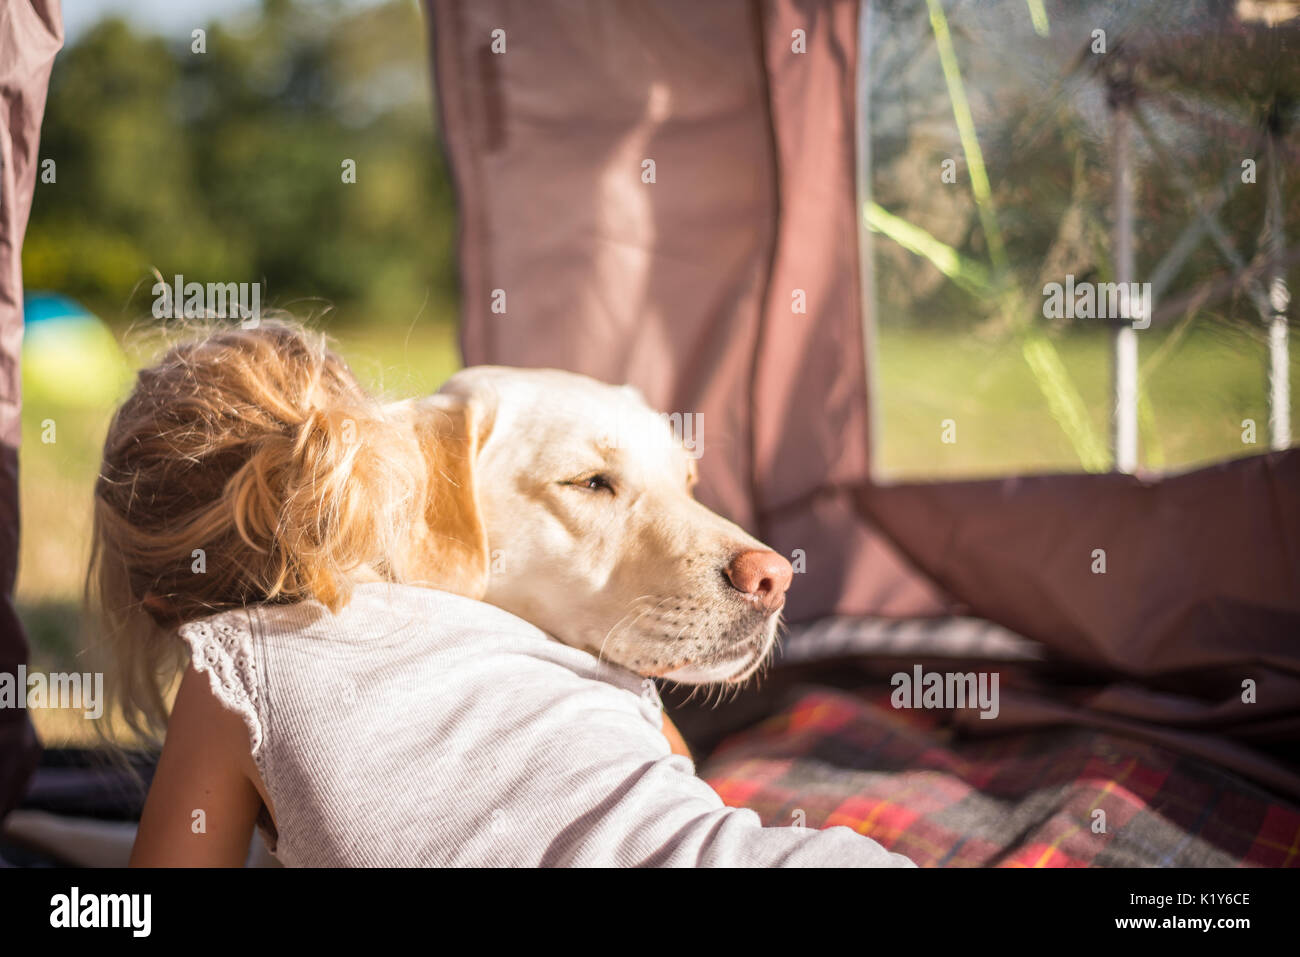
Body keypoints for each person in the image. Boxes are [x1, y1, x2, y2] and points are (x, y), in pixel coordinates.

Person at [91, 320, 913, 867]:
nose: (752, 563)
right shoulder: (585, 670)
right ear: (433, 506)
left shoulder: (233, 672)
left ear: (161, 602)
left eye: (682, 481)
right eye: (595, 483)